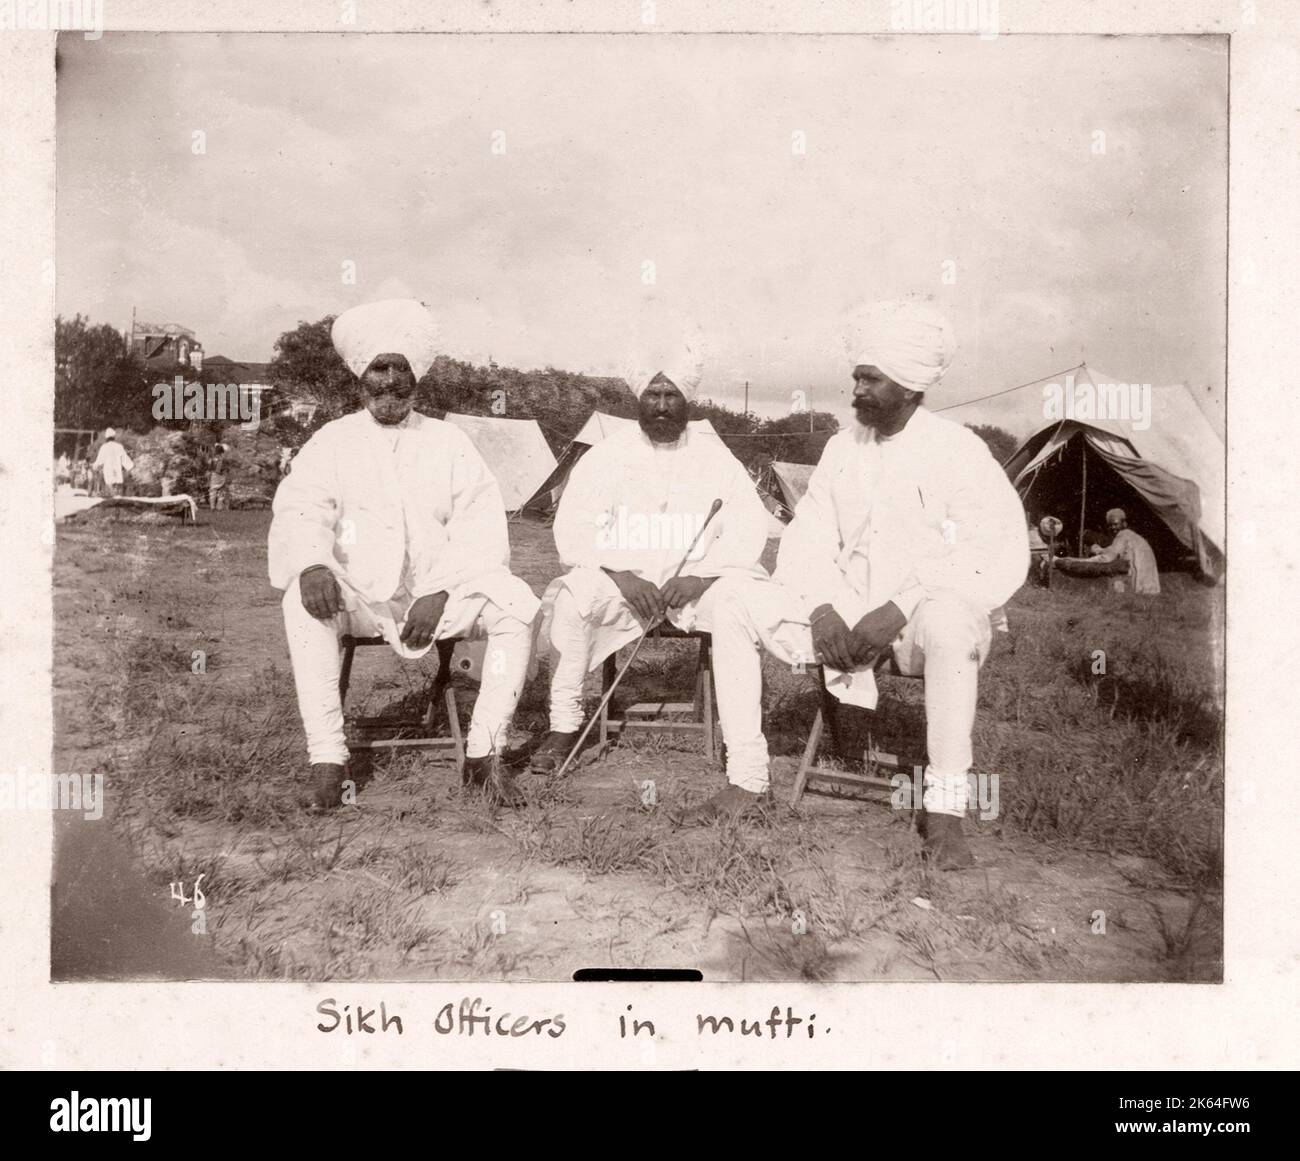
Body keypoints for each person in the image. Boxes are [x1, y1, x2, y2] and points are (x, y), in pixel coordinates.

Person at [700, 300, 1029, 869]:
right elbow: (806, 540)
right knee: (728, 597)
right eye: (856, 376)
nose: (857, 390)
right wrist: (824, 608)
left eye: (869, 379)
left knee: (952, 622)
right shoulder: (839, 449)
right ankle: (748, 778)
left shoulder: (960, 451)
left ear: (909, 385)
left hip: (919, 623)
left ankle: (947, 810)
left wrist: (898, 608)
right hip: (839, 620)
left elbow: (989, 553)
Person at [268, 298, 540, 810]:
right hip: (360, 599)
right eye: (380, 367)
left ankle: (484, 755)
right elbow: (303, 508)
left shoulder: (449, 441)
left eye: (401, 368)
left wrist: (439, 590)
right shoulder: (332, 440)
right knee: (297, 604)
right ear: (360, 376)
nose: (390, 380)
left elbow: (480, 527)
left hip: (438, 598)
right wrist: (310, 564)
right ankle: (327, 760)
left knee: (518, 606)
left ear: (417, 379)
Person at [529, 332, 772, 775]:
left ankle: (742, 750)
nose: (661, 405)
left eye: (671, 395)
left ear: (689, 401)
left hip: (694, 589)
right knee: (572, 598)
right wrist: (623, 576)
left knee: (741, 604)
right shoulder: (606, 456)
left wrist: (702, 578)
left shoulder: (717, 460)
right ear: (639, 399)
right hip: (624, 586)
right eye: (653, 394)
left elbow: (748, 528)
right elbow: (575, 528)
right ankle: (563, 725)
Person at [1083, 508, 1160, 594]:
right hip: (1149, 579)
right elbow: (1114, 550)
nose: (1113, 527)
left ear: (1124, 524)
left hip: (1139, 574)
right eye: (1110, 525)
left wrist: (1094, 552)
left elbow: (1109, 556)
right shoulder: (1131, 535)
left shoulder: (1123, 535)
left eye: (1116, 524)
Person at [92, 428, 133, 497]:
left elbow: (99, 459)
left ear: (106, 438)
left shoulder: (104, 447)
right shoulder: (119, 446)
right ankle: (117, 497)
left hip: (108, 470)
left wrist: (95, 467)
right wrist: (129, 467)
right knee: (118, 488)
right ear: (114, 437)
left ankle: (113, 497)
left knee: (110, 486)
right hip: (117, 470)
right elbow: (125, 458)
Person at [207, 443, 230, 510]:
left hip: (214, 475)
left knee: (212, 491)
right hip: (221, 475)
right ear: (223, 451)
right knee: (221, 491)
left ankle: (212, 507)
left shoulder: (212, 458)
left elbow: (209, 467)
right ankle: (219, 507)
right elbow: (226, 469)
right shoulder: (223, 459)